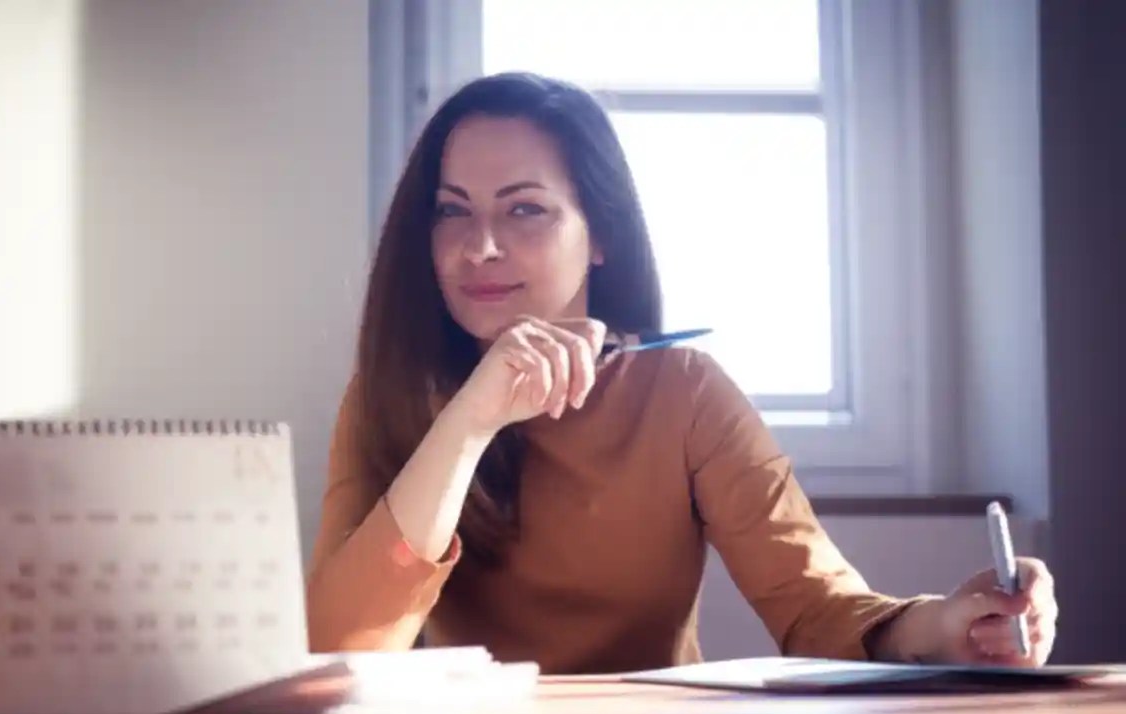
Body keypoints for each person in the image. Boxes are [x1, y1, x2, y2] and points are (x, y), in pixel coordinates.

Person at [305, 72, 1058, 674]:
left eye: (525, 210)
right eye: (452, 212)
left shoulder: (685, 391)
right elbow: (341, 646)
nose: (481, 248)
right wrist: (466, 424)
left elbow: (816, 606)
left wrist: (950, 625)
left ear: (600, 232)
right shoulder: (388, 397)